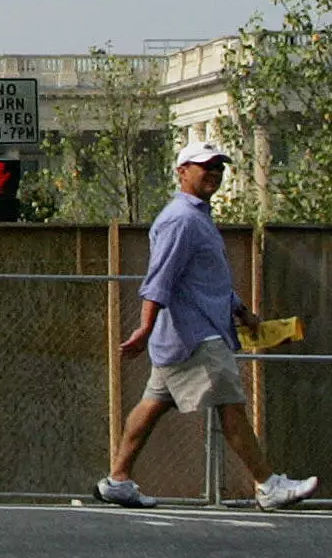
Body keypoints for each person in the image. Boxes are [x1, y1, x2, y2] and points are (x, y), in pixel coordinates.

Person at [98, 143, 317, 510]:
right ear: (182, 171)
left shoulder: (198, 217)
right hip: (195, 335)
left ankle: (118, 479)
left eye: (219, 167)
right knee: (231, 405)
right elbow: (160, 279)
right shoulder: (181, 219)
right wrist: (145, 327)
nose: (213, 173)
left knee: (152, 403)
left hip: (189, 334)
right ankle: (268, 485)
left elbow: (204, 279)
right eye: (205, 166)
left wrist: (242, 311)